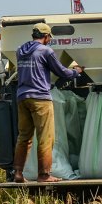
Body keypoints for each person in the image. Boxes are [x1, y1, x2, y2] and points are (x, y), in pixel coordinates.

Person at [12, 23, 84, 183]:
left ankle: (18, 173)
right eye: (49, 37)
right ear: (46, 36)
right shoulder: (46, 51)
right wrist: (76, 71)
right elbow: (61, 72)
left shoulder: (20, 50)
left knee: (24, 137)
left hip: (22, 97)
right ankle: (44, 175)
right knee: (46, 137)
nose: (50, 39)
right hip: (40, 98)